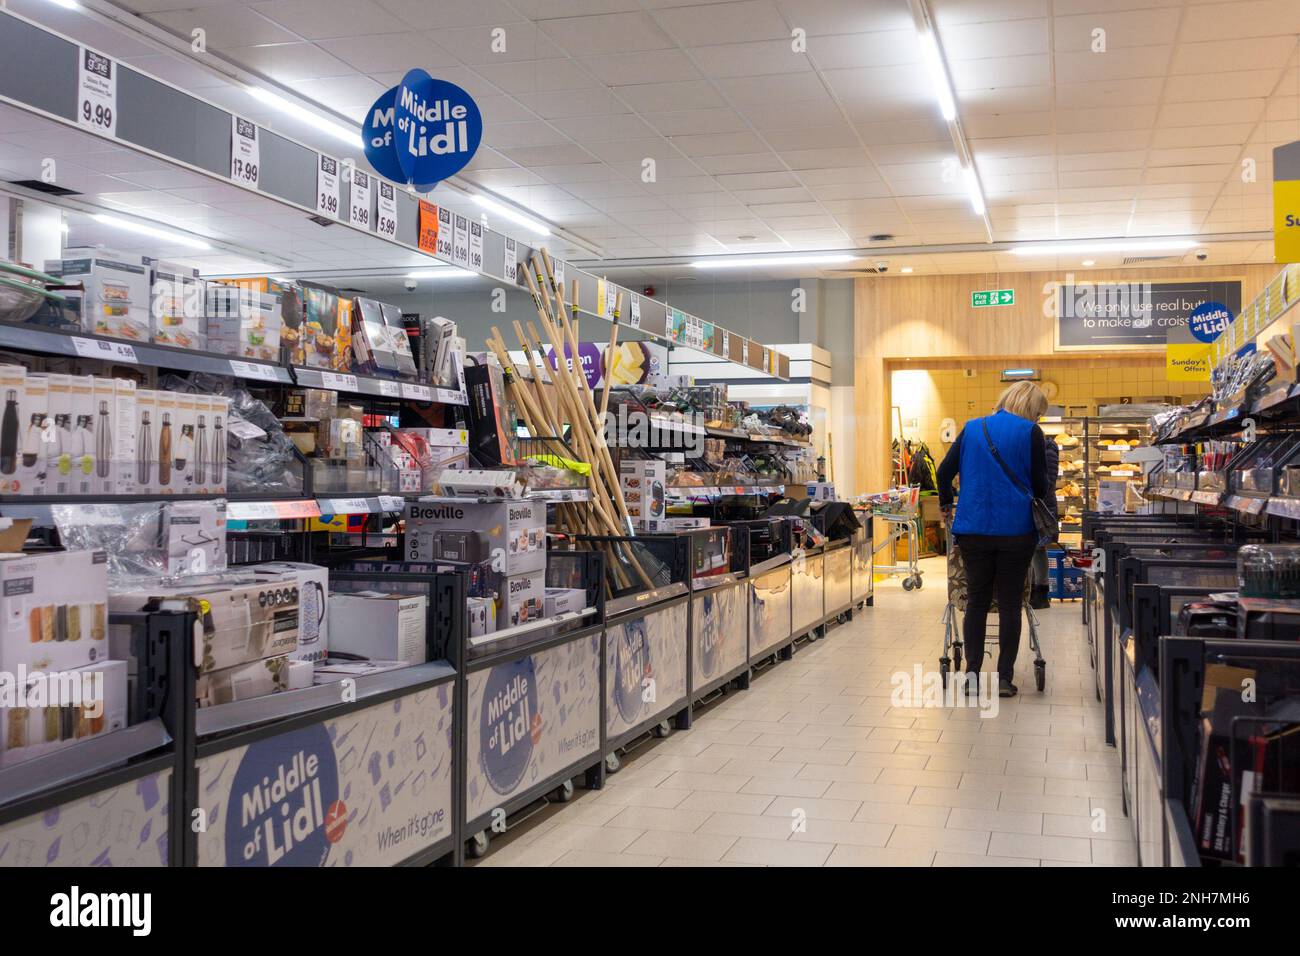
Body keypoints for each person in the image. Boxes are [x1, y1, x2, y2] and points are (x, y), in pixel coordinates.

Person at [936, 381, 1050, 698]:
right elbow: (1041, 487)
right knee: (1011, 603)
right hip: (1017, 531)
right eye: (1038, 412)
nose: (1038, 419)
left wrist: (947, 504)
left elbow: (944, 473)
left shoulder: (972, 428)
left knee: (977, 600)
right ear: (1031, 408)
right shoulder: (1031, 434)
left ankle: (972, 675)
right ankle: (1004, 678)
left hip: (972, 529)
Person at [1029, 431, 1060, 609]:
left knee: (1038, 549)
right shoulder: (1046, 449)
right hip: (1040, 504)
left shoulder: (1047, 450)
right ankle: (1036, 590)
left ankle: (1040, 591)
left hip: (1041, 506)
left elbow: (1046, 483)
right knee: (1035, 549)